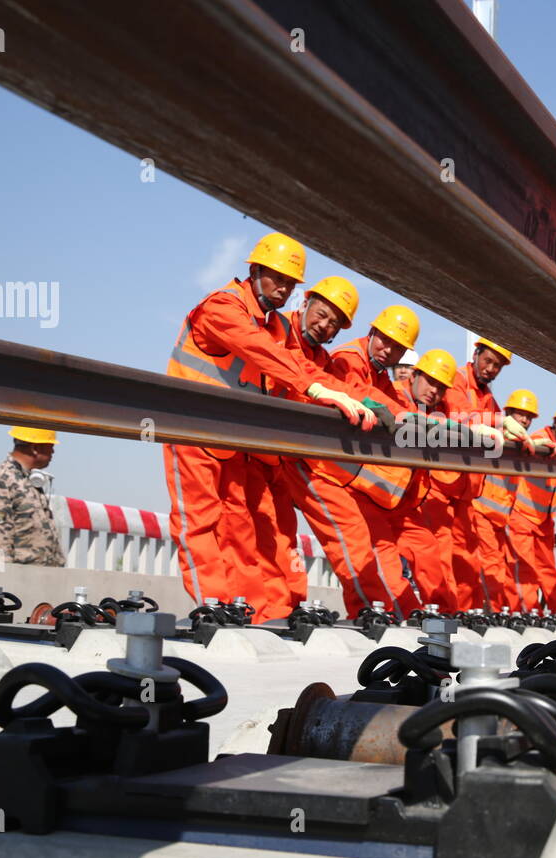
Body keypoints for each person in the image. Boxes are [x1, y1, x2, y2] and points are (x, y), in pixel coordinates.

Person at [163, 232, 375, 619]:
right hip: (190, 428)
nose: (283, 289)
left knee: (244, 527)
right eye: (278, 278)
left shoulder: (275, 325)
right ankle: (213, 605)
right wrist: (312, 387)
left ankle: (261, 610)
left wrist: (360, 399)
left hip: (233, 440)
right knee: (198, 519)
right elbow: (260, 352)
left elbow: (303, 366)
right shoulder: (222, 307)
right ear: (256, 269)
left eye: (291, 283)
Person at [283, 305, 425, 618]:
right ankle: (367, 610)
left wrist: (427, 424)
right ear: (373, 331)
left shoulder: (376, 368)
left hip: (345, 473)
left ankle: (394, 609)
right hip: (317, 464)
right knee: (351, 539)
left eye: (397, 346)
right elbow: (358, 392)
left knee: (376, 542)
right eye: (385, 340)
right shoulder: (350, 359)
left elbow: (392, 405)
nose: (388, 350)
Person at [446, 338, 526, 610]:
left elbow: (495, 433)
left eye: (498, 366)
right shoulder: (456, 378)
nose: (491, 369)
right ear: (476, 353)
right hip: (444, 485)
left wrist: (525, 442)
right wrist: (498, 421)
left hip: (466, 492)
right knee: (439, 557)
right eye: (488, 360)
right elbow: (458, 414)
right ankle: (446, 614)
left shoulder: (488, 398)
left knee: (467, 560)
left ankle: (464, 615)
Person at [391, 349, 461, 609]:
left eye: (441, 388)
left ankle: (441, 616)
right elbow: (403, 418)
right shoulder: (393, 393)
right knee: (382, 562)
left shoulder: (433, 409)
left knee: (428, 551)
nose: (434, 391)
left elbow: (458, 416)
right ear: (416, 375)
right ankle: (398, 615)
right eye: (430, 381)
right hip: (373, 497)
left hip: (403, 503)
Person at [509, 404, 556, 616]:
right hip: (522, 515)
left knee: (549, 571)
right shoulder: (540, 439)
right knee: (526, 569)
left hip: (544, 521)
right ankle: (530, 614)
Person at [470, 388, 540, 611]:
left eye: (529, 417)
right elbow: (480, 424)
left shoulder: (521, 444)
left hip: (500, 519)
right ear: (509, 412)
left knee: (504, 568)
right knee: (492, 567)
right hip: (483, 512)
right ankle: (494, 612)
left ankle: (507, 612)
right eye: (521, 414)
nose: (526, 420)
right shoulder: (498, 430)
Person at [0, 426, 66, 567]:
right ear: (35, 448)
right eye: (50, 446)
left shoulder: (25, 480)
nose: (53, 451)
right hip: (20, 580)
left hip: (39, 578)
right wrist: (2, 581)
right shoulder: (0, 479)